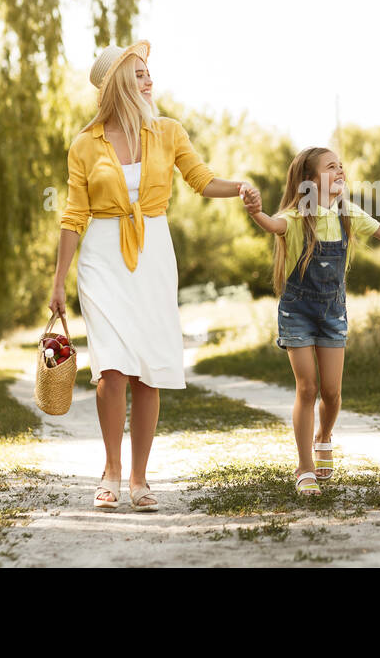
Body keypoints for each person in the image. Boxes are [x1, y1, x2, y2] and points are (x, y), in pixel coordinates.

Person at [48, 41, 256, 511]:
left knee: (148, 372)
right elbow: (73, 216)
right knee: (112, 368)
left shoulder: (167, 131)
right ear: (120, 82)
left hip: (154, 252)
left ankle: (140, 479)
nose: (149, 80)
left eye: (148, 72)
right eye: (139, 73)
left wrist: (240, 187)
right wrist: (58, 281)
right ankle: (111, 472)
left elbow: (202, 181)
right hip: (102, 257)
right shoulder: (85, 144)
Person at [242, 147, 380, 495]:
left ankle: (323, 436)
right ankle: (304, 467)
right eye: (331, 167)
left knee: (332, 393)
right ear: (309, 180)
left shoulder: (349, 214)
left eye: (341, 167)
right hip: (297, 312)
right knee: (307, 388)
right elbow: (272, 224)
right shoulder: (294, 218)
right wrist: (256, 212)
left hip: (333, 314)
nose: (340, 172)